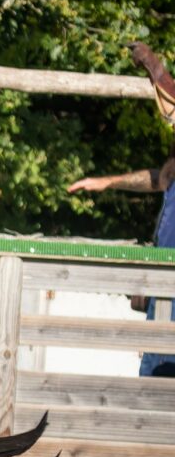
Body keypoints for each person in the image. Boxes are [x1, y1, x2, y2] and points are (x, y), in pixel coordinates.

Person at [68, 151, 175, 376]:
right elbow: (159, 179)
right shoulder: (171, 174)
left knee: (160, 388)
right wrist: (108, 182)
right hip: (162, 294)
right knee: (151, 385)